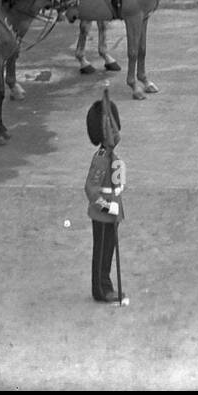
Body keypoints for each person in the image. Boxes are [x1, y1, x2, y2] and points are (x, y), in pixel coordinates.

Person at [84, 94, 125, 304]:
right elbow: (91, 189)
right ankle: (101, 288)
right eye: (113, 129)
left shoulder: (112, 158)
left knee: (108, 249)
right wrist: (107, 207)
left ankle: (105, 283)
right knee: (102, 251)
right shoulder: (101, 159)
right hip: (103, 213)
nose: (117, 133)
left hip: (113, 211)